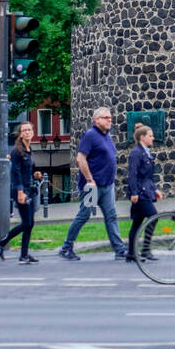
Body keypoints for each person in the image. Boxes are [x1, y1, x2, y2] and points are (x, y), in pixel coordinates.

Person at [60, 107, 127, 261]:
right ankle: (66, 247)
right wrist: (90, 180)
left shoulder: (107, 136)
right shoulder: (90, 135)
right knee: (84, 215)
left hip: (107, 185)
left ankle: (119, 249)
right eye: (106, 117)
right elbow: (80, 158)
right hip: (92, 186)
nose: (110, 120)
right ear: (97, 120)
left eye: (110, 117)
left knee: (111, 216)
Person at [0, 122, 39, 263]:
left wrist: (35, 174)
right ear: (20, 134)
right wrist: (20, 191)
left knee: (30, 223)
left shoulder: (28, 149)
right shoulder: (17, 151)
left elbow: (28, 170)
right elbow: (16, 172)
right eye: (24, 130)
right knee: (26, 223)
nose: (27, 132)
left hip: (29, 189)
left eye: (29, 130)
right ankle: (0, 244)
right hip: (21, 190)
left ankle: (24, 255)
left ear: (33, 132)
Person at [126, 124, 162, 262]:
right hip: (140, 193)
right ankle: (145, 249)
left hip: (145, 191)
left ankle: (131, 253)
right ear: (142, 137)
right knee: (153, 216)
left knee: (137, 223)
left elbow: (148, 177)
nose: (153, 138)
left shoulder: (145, 152)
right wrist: (134, 192)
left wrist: (155, 190)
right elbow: (133, 174)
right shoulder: (136, 153)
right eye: (150, 135)